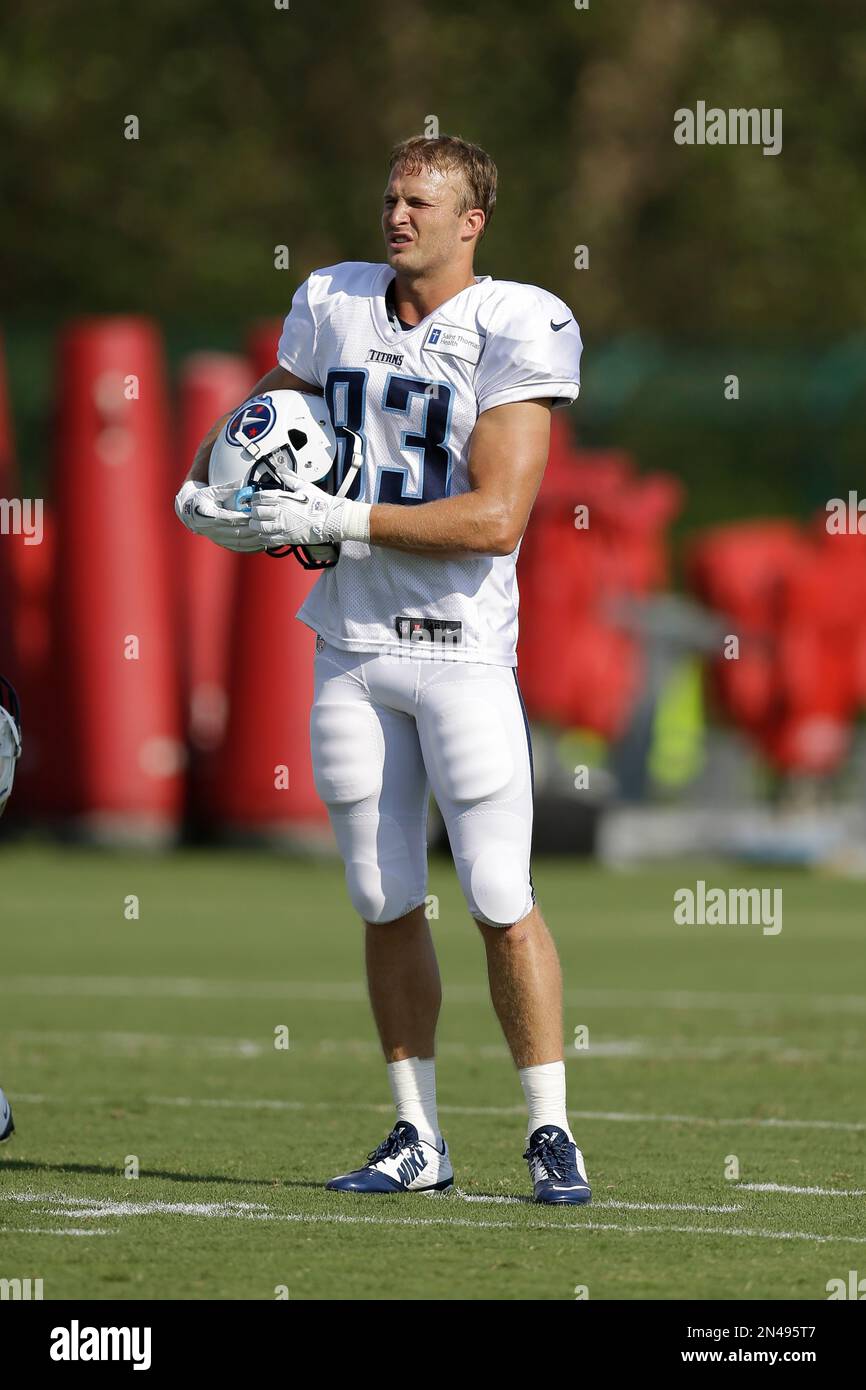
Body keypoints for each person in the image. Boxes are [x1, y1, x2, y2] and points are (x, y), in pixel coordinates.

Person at [176, 135, 589, 1204]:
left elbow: (496, 518)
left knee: (498, 890)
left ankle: (548, 1129)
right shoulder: (333, 300)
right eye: (390, 196)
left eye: (420, 201)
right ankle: (417, 1135)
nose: (396, 214)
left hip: (459, 653)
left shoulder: (516, 321)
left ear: (471, 221)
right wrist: (213, 485)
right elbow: (271, 413)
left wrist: (339, 515)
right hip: (352, 650)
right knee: (380, 892)